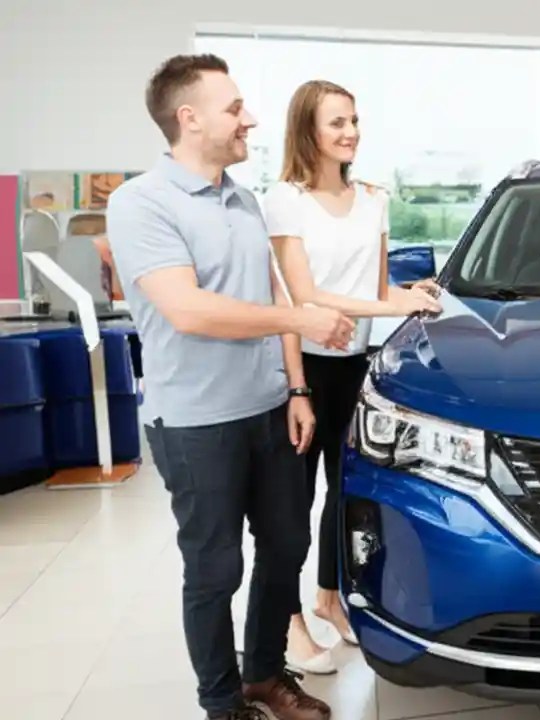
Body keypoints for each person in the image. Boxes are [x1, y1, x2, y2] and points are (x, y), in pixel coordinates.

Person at [106, 53, 353, 720]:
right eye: (235, 108)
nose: (250, 119)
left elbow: (268, 290)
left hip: (270, 410)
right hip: (195, 424)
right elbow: (190, 310)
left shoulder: (241, 198)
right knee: (216, 570)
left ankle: (265, 675)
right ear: (189, 119)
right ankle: (221, 701)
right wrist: (301, 318)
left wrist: (298, 388)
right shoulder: (139, 204)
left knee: (287, 550)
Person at [263, 79, 441, 673]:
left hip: (356, 367)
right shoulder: (286, 199)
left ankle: (329, 601)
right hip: (304, 368)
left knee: (344, 496)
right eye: (337, 123)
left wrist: (410, 294)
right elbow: (300, 296)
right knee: (290, 506)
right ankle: (287, 624)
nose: (351, 133)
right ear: (307, 131)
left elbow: (371, 290)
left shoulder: (374, 198)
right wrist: (297, 387)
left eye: (355, 121)